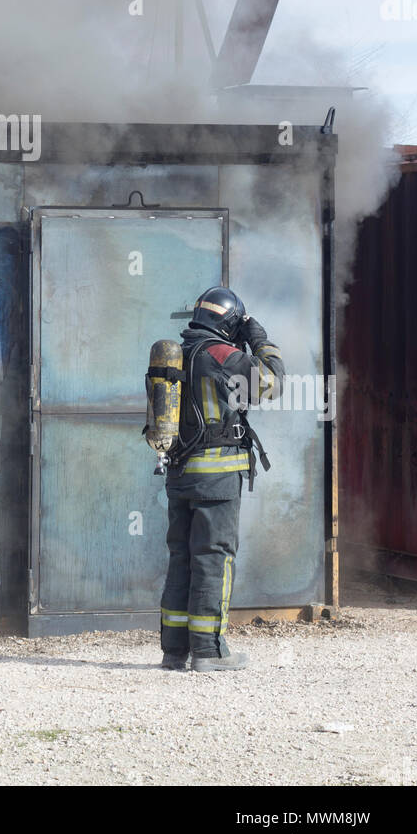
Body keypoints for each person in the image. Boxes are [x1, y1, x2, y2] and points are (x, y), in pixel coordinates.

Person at [158, 286, 285, 673]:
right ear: (230, 323)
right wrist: (258, 338)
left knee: (182, 559)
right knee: (213, 558)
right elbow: (273, 383)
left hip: (179, 475)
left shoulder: (179, 352)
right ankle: (210, 652)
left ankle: (174, 651)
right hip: (216, 478)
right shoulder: (220, 353)